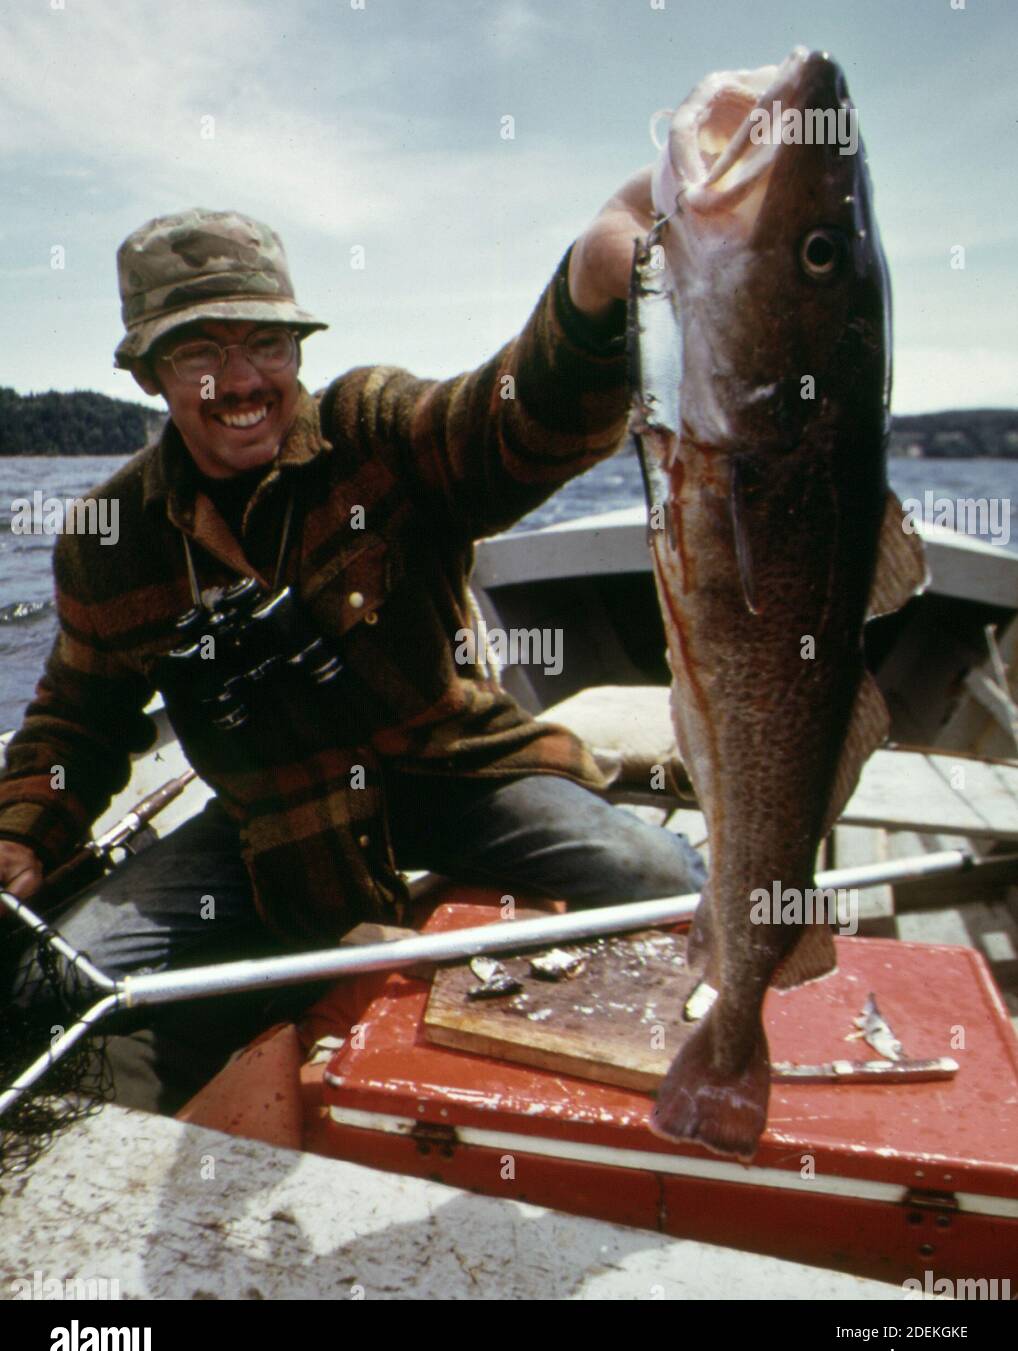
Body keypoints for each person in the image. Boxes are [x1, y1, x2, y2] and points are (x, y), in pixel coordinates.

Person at [0, 179, 704, 1111]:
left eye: (268, 343)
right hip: (277, 828)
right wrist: (20, 833)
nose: (244, 381)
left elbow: (512, 431)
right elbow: (76, 722)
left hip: (462, 772)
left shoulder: (373, 426)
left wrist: (587, 296)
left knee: (658, 883)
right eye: (203, 352)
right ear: (148, 374)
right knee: (59, 983)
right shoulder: (107, 537)